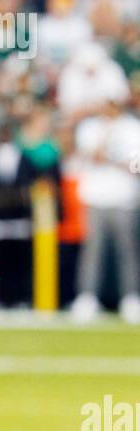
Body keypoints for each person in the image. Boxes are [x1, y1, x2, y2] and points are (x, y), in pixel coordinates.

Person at [71, 99, 140, 324]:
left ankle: (130, 298)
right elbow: (91, 155)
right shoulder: (90, 127)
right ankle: (87, 297)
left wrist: (115, 160)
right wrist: (107, 137)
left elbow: (135, 165)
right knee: (93, 251)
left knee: (127, 251)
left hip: (124, 198)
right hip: (96, 197)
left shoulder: (132, 127)